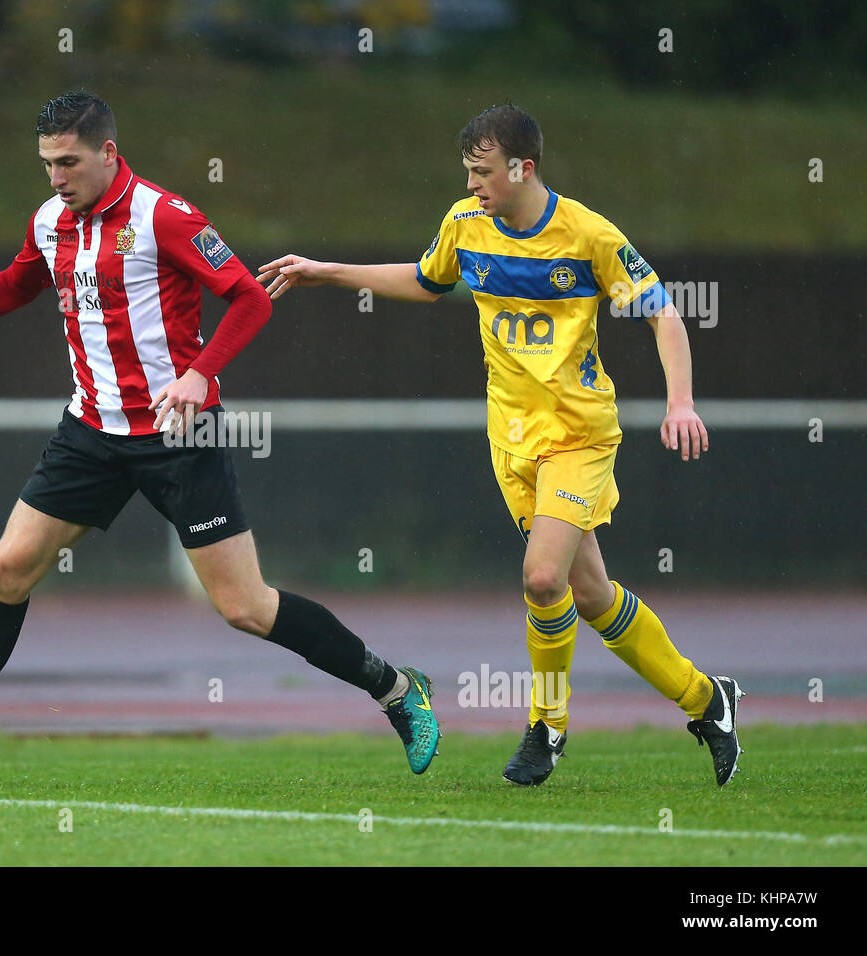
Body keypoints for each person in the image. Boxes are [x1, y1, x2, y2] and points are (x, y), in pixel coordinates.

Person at [0, 91, 438, 782]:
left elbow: (250, 299)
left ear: (109, 153)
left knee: (245, 608)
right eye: (47, 163)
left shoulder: (166, 216)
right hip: (90, 433)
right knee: (4, 571)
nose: (56, 177)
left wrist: (200, 374)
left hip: (178, 433)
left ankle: (399, 691)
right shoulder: (51, 219)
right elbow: (20, 283)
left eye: (69, 161)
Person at [257, 103, 743, 787]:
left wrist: (681, 402)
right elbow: (427, 282)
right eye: (468, 171)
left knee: (543, 578)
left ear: (524, 167)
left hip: (578, 436)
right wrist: (325, 271)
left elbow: (663, 313)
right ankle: (707, 700)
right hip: (509, 441)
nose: (473, 184)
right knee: (591, 594)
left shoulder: (587, 236)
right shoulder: (466, 224)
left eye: (483, 172)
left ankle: (547, 726)